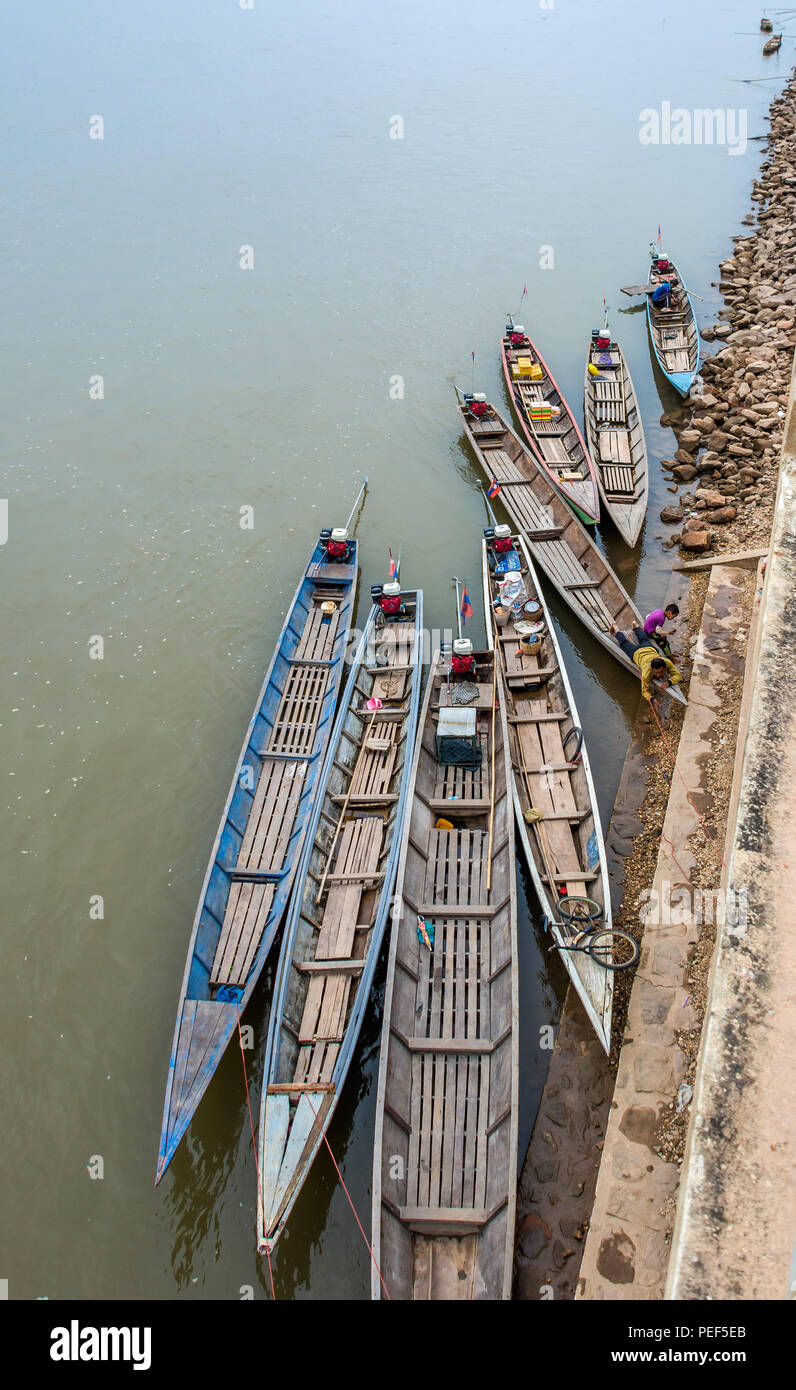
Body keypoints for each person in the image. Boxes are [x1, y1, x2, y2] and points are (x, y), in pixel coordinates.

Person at [609, 621, 682, 702]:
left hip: (649, 648)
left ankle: (635, 625)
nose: (658, 675)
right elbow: (644, 691)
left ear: (665, 667)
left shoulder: (667, 662)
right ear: (651, 669)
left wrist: (668, 682)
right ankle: (616, 627)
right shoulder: (646, 673)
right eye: (656, 673)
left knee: (643, 639)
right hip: (636, 652)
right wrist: (652, 699)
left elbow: (678, 675)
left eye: (661, 672)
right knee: (624, 643)